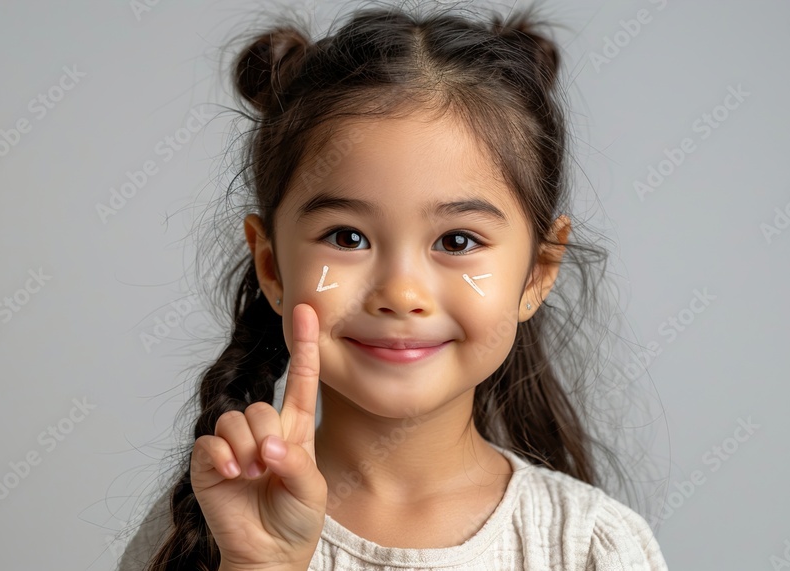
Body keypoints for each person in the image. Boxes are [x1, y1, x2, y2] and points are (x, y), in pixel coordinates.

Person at [116, 2, 669, 569]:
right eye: (348, 238)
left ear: (537, 272)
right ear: (273, 267)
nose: (401, 292)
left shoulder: (591, 546)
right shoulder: (206, 526)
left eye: (457, 242)